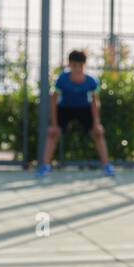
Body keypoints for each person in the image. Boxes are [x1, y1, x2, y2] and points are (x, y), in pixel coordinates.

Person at [37, 49, 114, 177]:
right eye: (74, 65)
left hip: (84, 108)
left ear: (84, 65)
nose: (77, 68)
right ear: (69, 65)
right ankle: (45, 166)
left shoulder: (91, 81)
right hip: (65, 108)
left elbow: (95, 103)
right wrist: (54, 123)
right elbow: (54, 100)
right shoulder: (62, 79)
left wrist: (97, 123)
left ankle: (106, 166)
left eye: (80, 65)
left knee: (98, 134)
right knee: (52, 133)